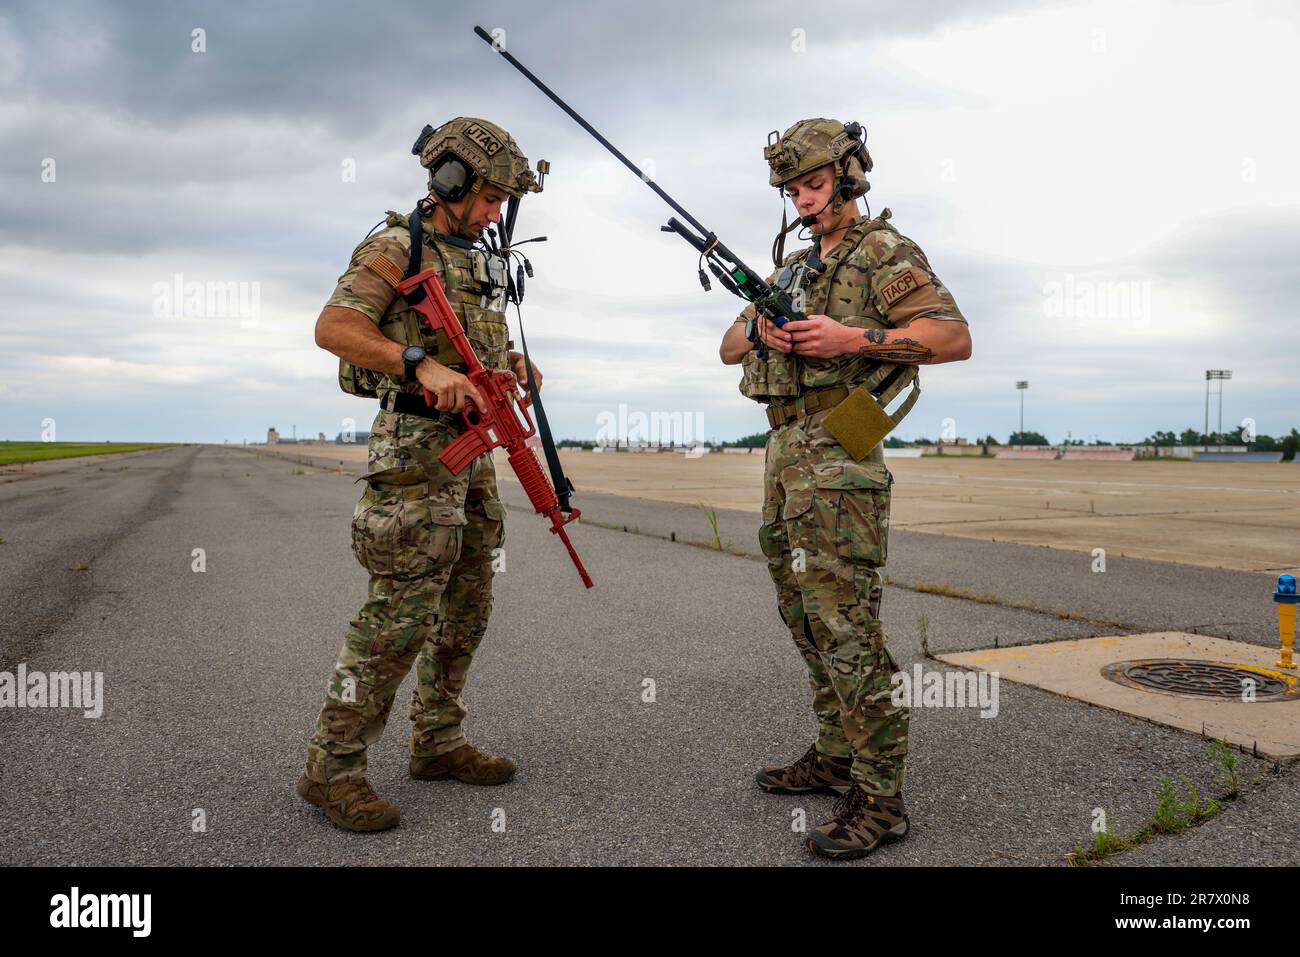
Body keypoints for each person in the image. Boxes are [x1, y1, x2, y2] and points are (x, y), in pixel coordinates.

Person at [719, 118, 972, 859]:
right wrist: (766, 331)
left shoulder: (885, 252)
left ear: (851, 176)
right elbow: (727, 344)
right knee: (801, 612)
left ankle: (882, 795)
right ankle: (835, 754)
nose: (802, 199)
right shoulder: (794, 269)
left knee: (847, 623)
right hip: (785, 449)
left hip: (840, 453)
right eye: (792, 188)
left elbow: (953, 336)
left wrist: (850, 338)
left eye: (815, 184)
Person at [298, 117, 547, 832]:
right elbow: (334, 327)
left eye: (505, 200)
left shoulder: (472, 258)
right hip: (412, 455)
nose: (498, 212)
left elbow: (471, 350)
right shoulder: (393, 246)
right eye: (492, 196)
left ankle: (437, 739)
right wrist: (420, 365)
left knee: (467, 603)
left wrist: (510, 370)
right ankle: (332, 765)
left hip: (470, 457)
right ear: (451, 182)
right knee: (396, 617)